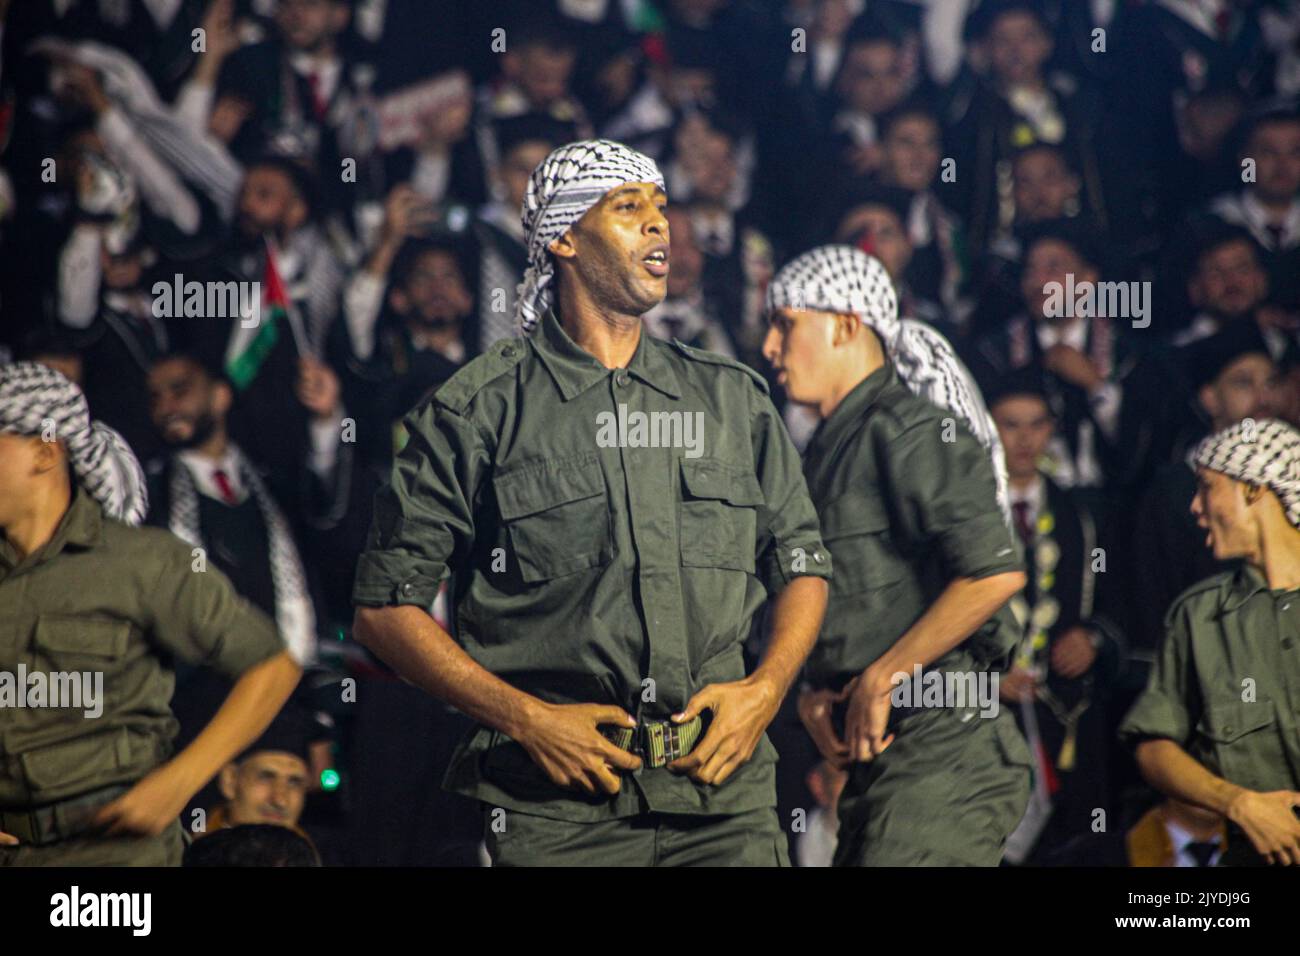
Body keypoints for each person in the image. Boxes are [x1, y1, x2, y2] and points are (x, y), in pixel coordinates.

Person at [351, 139, 831, 866]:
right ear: (565, 237)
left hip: (725, 801)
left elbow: (803, 563)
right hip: (556, 814)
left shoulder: (732, 398)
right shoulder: (476, 410)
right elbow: (385, 610)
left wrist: (765, 690)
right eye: (629, 207)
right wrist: (529, 720)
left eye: (663, 208)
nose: (659, 225)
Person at [765, 246, 1031, 866]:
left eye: (786, 324)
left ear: (846, 324)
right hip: (879, 757)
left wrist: (887, 674)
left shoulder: (907, 427)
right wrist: (815, 691)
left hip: (943, 745)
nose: (770, 349)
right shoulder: (828, 450)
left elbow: (994, 570)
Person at [0, 362, 300, 865]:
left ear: (44, 451)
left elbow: (272, 667)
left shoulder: (143, 562)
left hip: (116, 856)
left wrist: (176, 784)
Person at [1120, 418, 1300, 866]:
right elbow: (1154, 745)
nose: (1195, 507)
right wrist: (1239, 803)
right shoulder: (1198, 616)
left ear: (1255, 489)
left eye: (1206, 487)